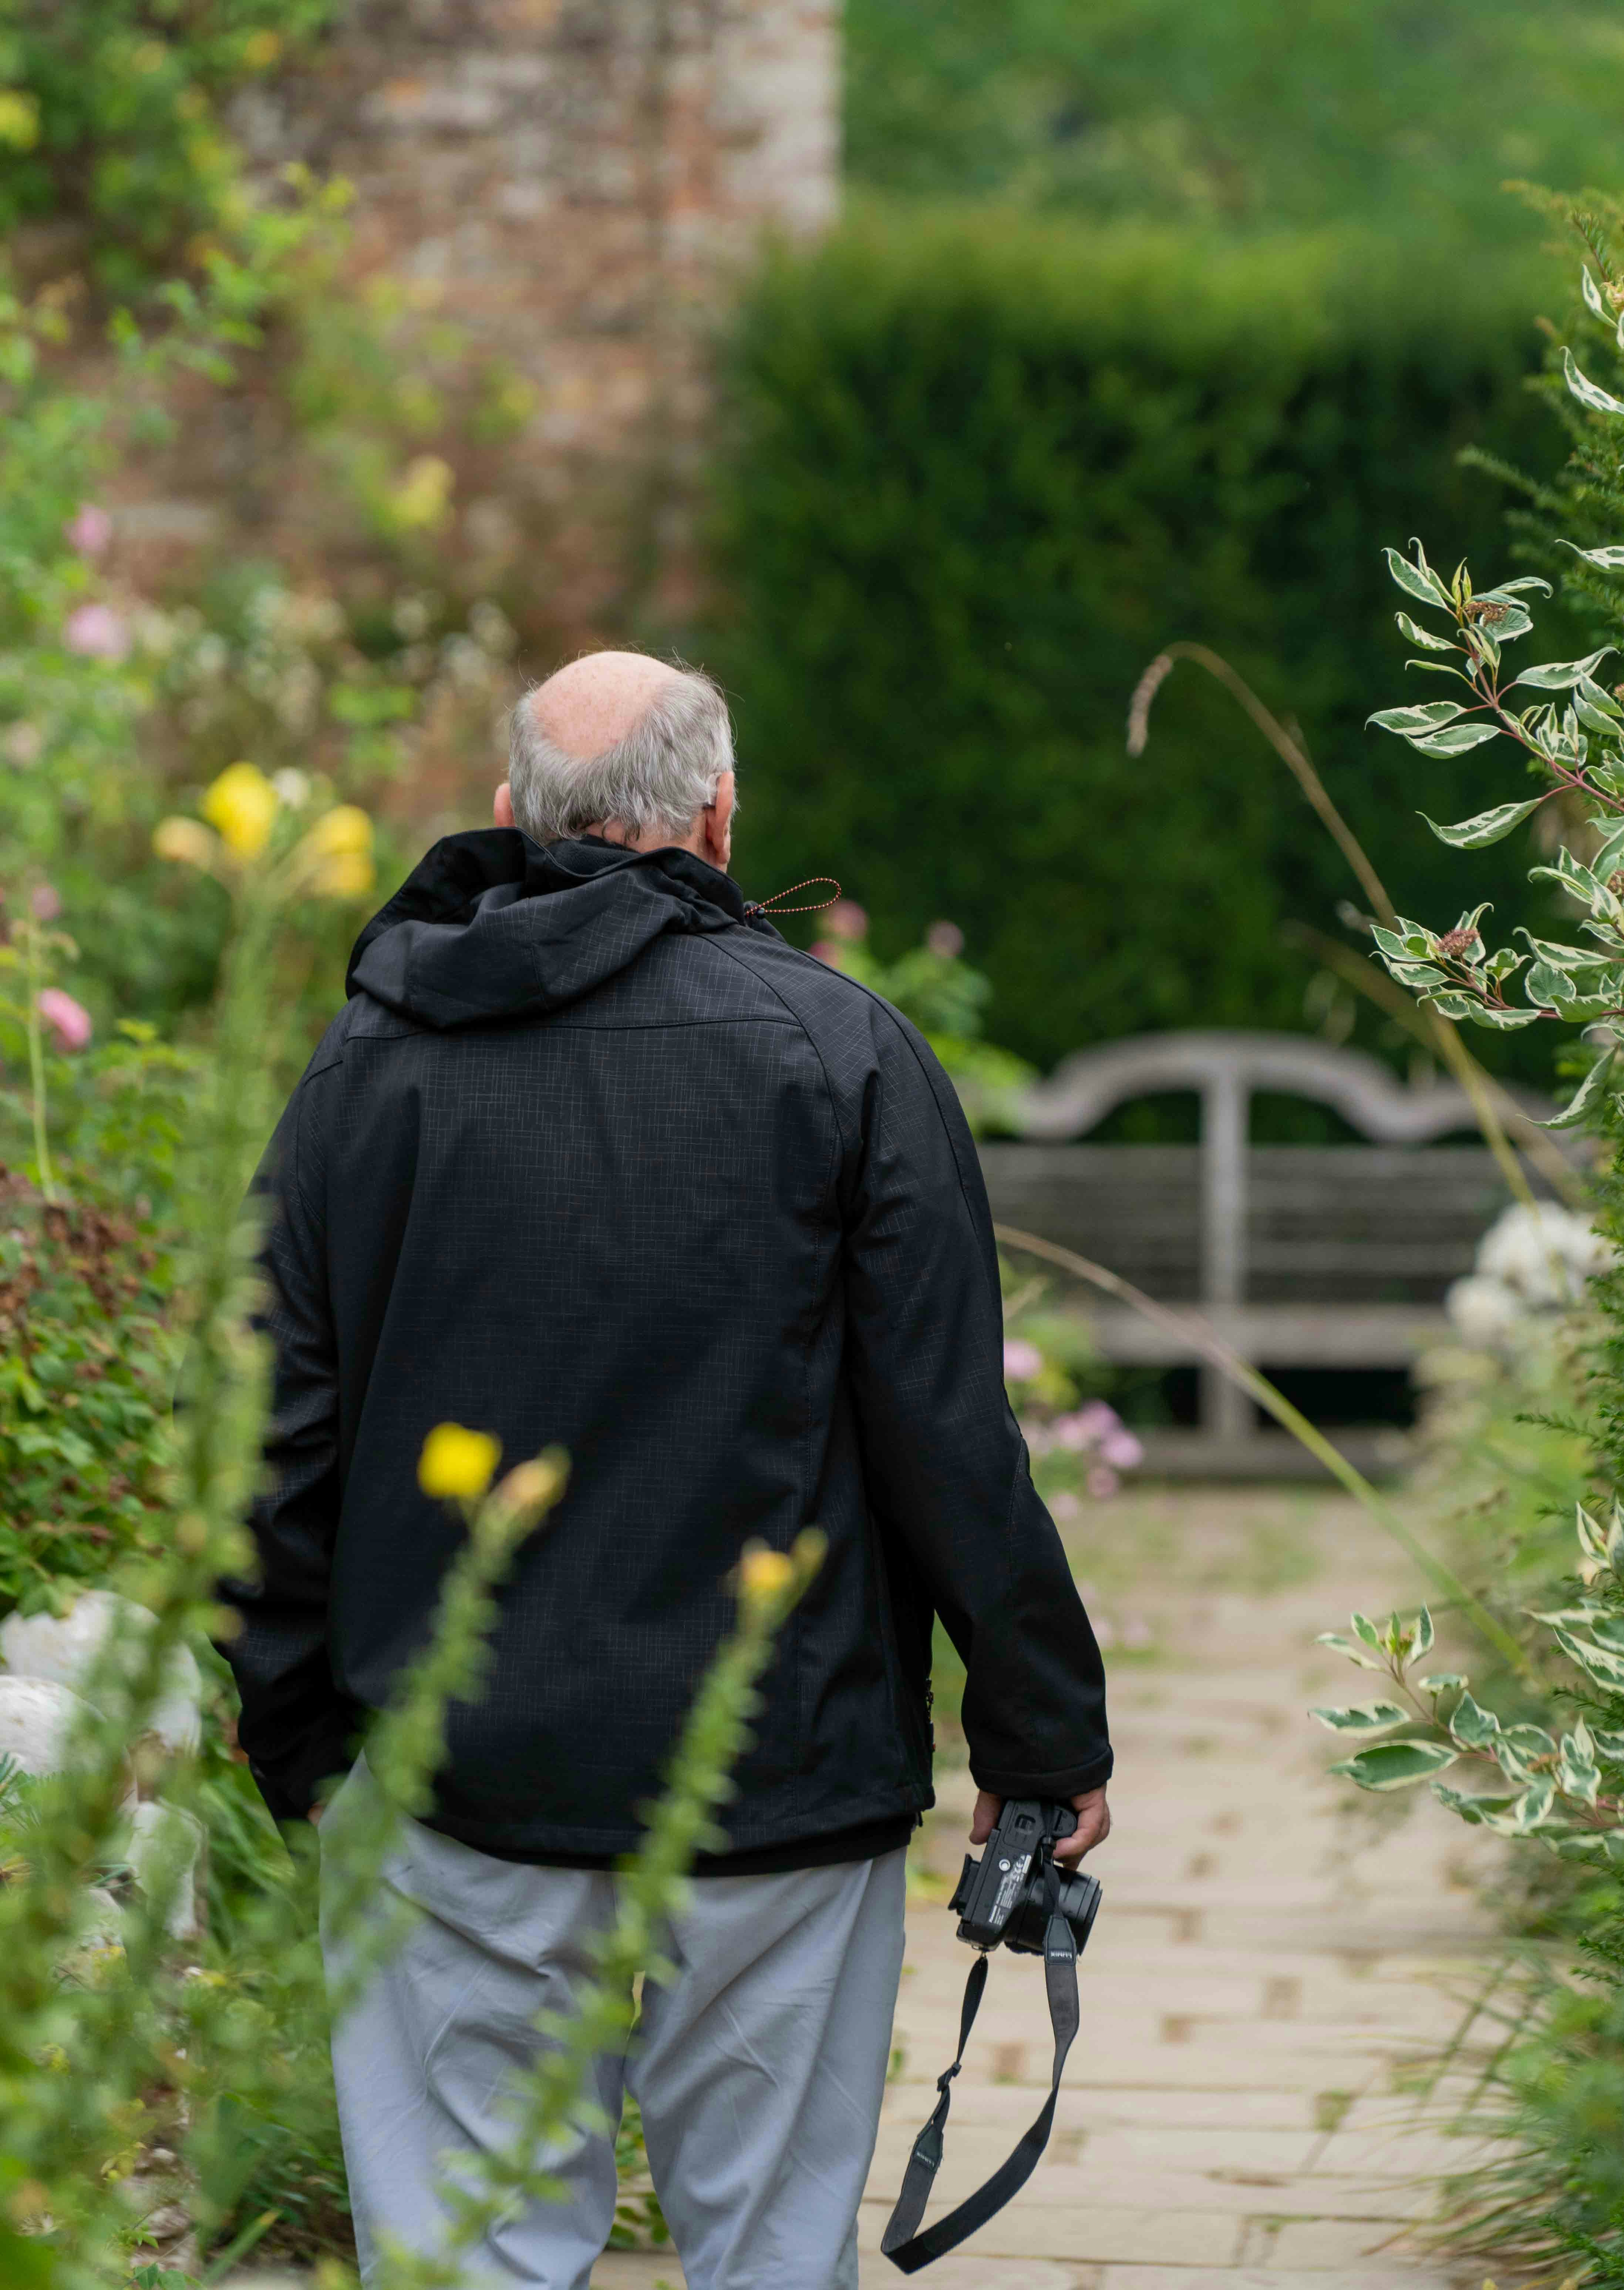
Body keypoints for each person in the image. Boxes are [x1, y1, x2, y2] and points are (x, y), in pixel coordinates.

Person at [220, 650, 1113, 2290]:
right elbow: (947, 1434)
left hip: (449, 1782)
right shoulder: (839, 1055)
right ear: (718, 819)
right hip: (777, 1782)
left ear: (508, 819)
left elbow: (272, 1430)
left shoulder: (368, 1070)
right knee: (770, 2252)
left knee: (468, 2255)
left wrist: (296, 1731)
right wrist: (1038, 1736)